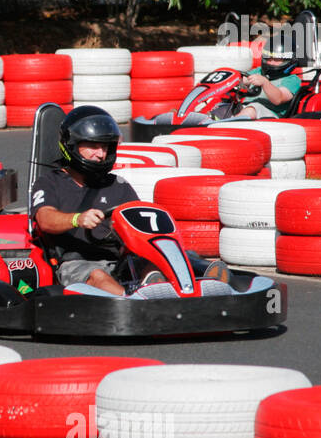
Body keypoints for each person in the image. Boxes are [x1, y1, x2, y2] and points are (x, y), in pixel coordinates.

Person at [30, 106, 143, 295]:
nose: (101, 154)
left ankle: (177, 298)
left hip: (120, 260)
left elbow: (139, 220)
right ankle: (133, 306)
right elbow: (45, 219)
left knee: (161, 264)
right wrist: (77, 219)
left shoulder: (118, 184)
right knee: (98, 276)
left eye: (105, 147)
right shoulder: (50, 182)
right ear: (72, 145)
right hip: (77, 264)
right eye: (93, 146)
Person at [155, 45, 303, 126]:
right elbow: (243, 80)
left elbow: (279, 99)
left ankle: (225, 127)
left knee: (253, 108)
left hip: (271, 115)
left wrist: (264, 82)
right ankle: (192, 117)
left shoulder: (292, 79)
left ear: (287, 61)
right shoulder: (260, 70)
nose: (270, 62)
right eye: (268, 58)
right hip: (242, 109)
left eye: (276, 59)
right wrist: (234, 81)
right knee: (221, 101)